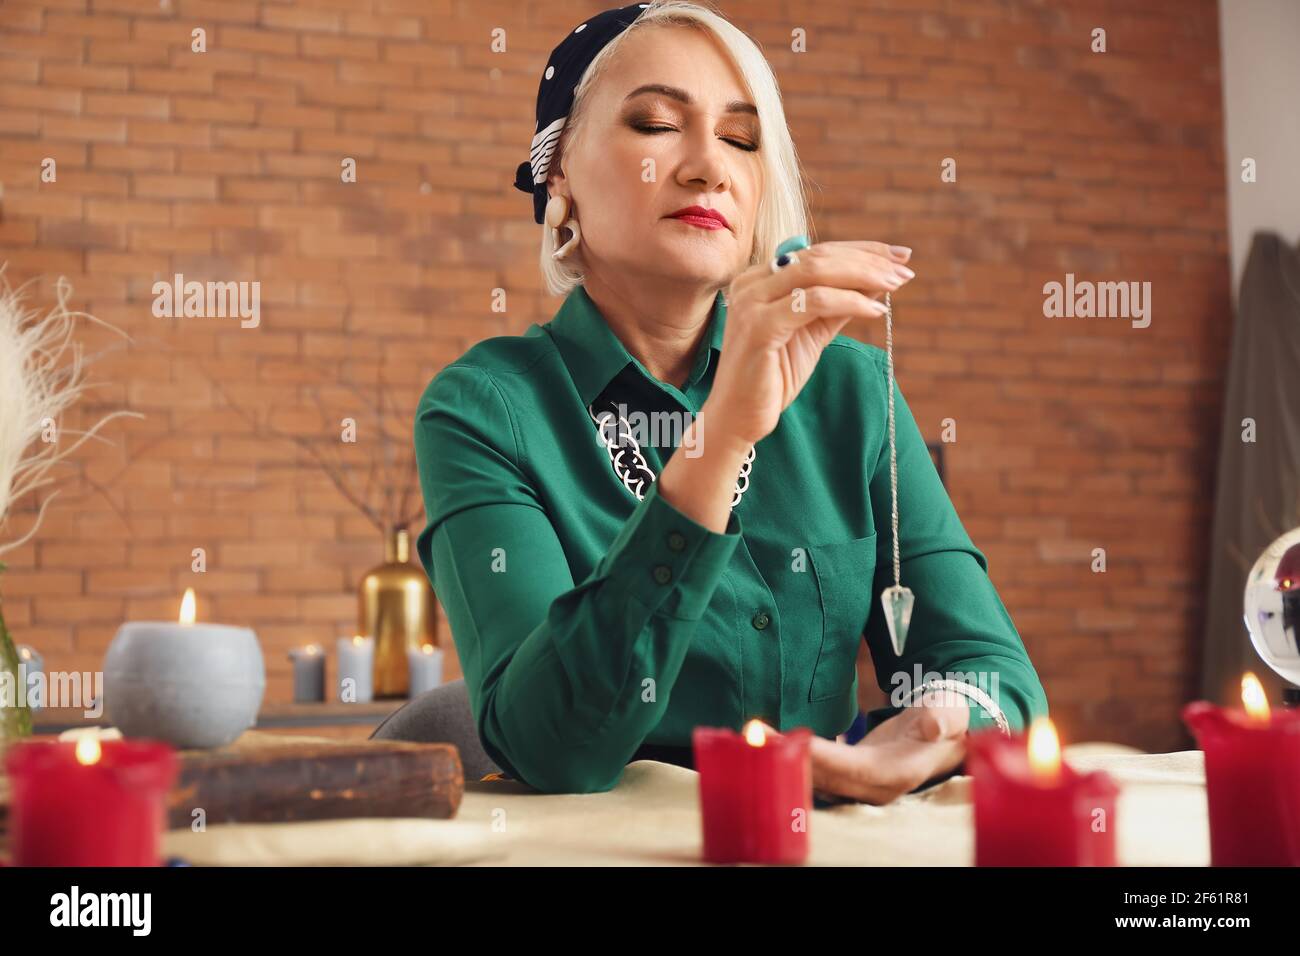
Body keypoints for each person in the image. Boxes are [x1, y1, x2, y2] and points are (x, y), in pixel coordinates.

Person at [413, 1, 1048, 797]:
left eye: (742, 140)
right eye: (653, 123)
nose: (708, 164)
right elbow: (552, 747)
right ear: (558, 171)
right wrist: (722, 436)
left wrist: (935, 722)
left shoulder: (850, 389)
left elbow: (991, 672)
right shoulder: (484, 409)